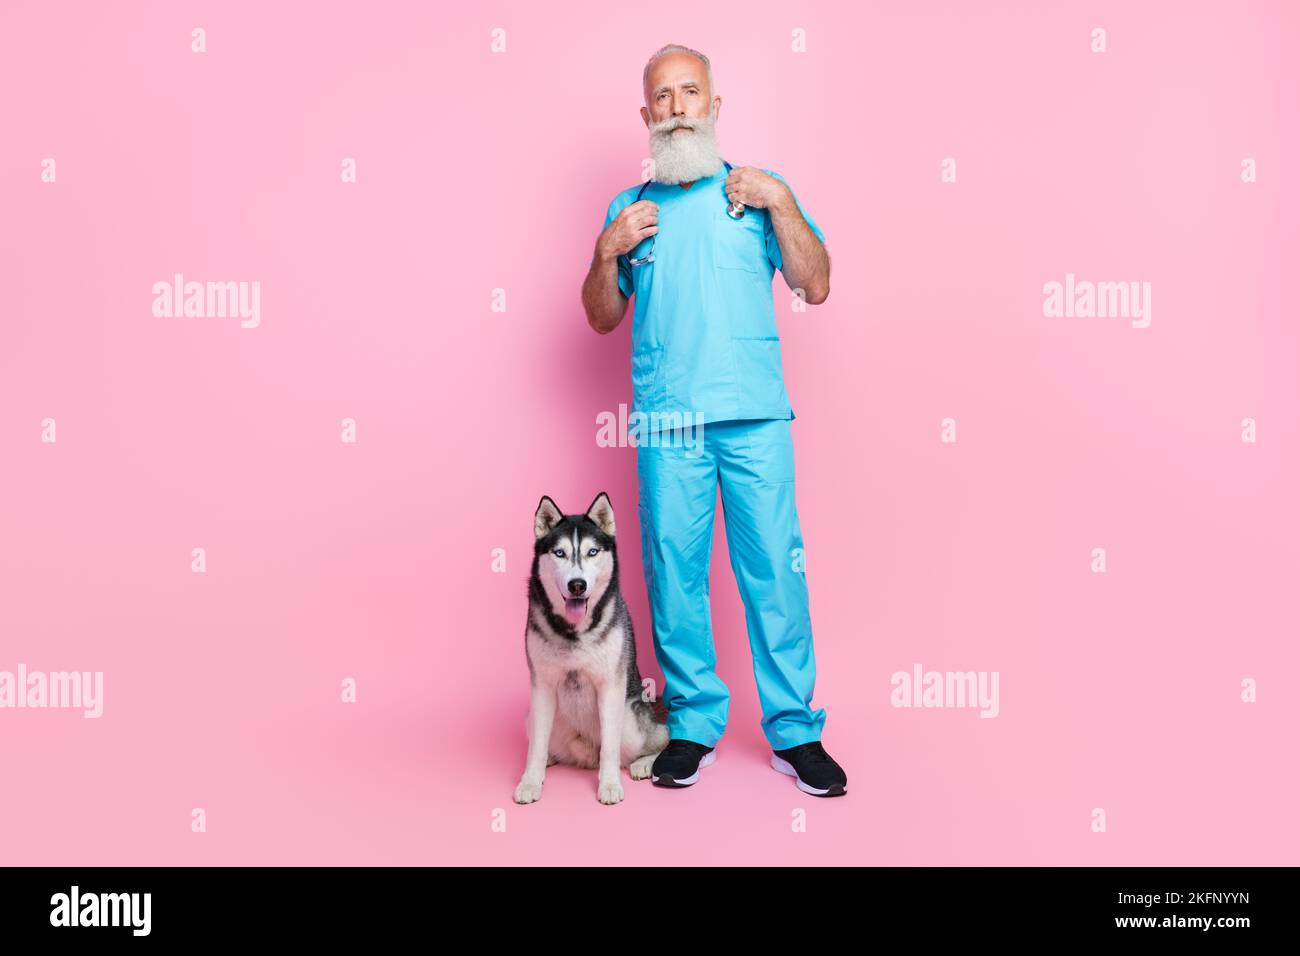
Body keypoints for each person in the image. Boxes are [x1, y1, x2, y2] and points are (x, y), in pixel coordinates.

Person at [581, 44, 846, 797]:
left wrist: (783, 205)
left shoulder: (757, 193)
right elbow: (601, 318)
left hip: (754, 417)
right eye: (661, 98)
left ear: (714, 107)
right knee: (675, 576)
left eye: (689, 93)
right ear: (646, 115)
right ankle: (693, 722)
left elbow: (816, 283)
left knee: (775, 574)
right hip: (670, 424)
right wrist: (608, 252)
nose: (676, 109)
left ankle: (796, 730)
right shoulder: (628, 212)